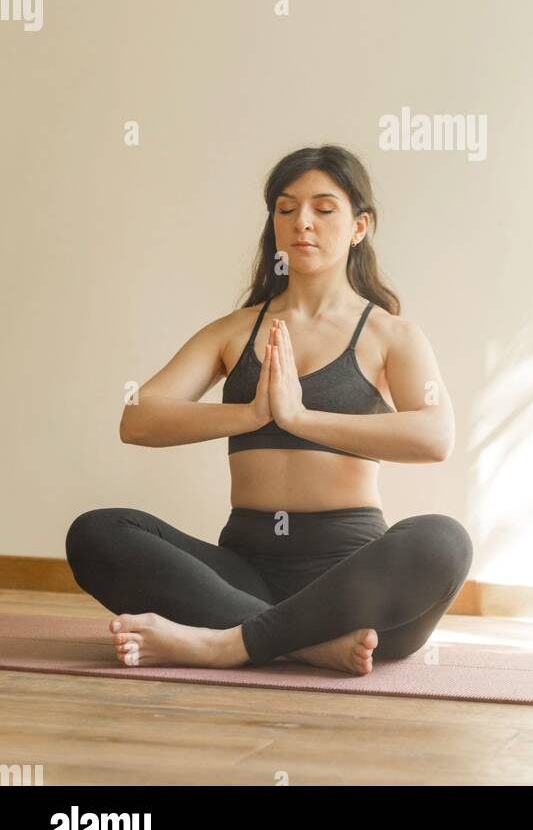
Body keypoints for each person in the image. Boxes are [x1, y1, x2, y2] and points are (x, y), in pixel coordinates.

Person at [65, 144, 473, 676]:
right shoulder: (236, 330)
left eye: (324, 209)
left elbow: (435, 437)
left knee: (444, 541)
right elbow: (138, 418)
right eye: (286, 208)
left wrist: (301, 418)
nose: (302, 221)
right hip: (243, 571)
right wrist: (252, 413)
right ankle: (299, 644)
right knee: (97, 530)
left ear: (359, 226)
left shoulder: (390, 334)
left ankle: (224, 643)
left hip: (349, 580)